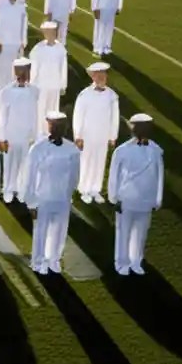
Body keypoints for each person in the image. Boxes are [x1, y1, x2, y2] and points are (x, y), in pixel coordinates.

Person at [23, 112, 81, 275]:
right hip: (43, 197)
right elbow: (30, 176)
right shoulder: (38, 148)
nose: (57, 129)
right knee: (41, 231)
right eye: (54, 125)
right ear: (48, 126)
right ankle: (38, 261)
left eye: (61, 126)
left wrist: (69, 194)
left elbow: (75, 175)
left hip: (62, 197)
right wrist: (31, 202)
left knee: (60, 231)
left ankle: (54, 260)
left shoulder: (71, 149)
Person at [108, 114, 164, 275]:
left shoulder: (156, 150)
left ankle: (136, 261)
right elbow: (114, 176)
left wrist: (157, 200)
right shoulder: (122, 151)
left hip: (146, 199)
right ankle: (121, 263)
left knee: (141, 233)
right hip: (127, 198)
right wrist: (114, 198)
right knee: (123, 231)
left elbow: (159, 176)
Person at [73, 61, 120, 203]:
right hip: (87, 135)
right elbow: (78, 116)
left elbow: (115, 117)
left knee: (99, 161)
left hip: (103, 135)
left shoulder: (112, 96)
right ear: (92, 77)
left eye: (103, 75)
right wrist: (78, 136)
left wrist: (113, 136)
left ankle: (95, 189)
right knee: (87, 160)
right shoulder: (84, 95)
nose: (101, 78)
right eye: (98, 75)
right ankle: (84, 189)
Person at [0, 59, 40, 203]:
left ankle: (21, 190)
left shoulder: (34, 91)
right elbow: (2, 116)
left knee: (25, 163)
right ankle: (8, 189)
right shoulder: (6, 92)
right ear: (15, 72)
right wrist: (1, 137)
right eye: (20, 70)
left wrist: (35, 134)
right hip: (11, 133)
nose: (24, 74)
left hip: (26, 134)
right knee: (10, 163)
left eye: (26, 70)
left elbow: (35, 113)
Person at [29, 22, 67, 136]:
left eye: (53, 32)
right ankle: (40, 132)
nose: (52, 34)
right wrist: (32, 83)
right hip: (41, 84)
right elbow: (34, 68)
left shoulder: (60, 48)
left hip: (55, 84)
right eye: (49, 32)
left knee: (53, 108)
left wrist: (63, 84)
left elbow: (63, 67)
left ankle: (51, 131)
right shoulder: (38, 49)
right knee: (41, 109)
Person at [0, 0, 28, 89]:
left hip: (15, 43)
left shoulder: (21, 8)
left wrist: (23, 43)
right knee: (2, 70)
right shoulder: (0, 7)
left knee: (14, 70)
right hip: (3, 44)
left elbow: (24, 26)